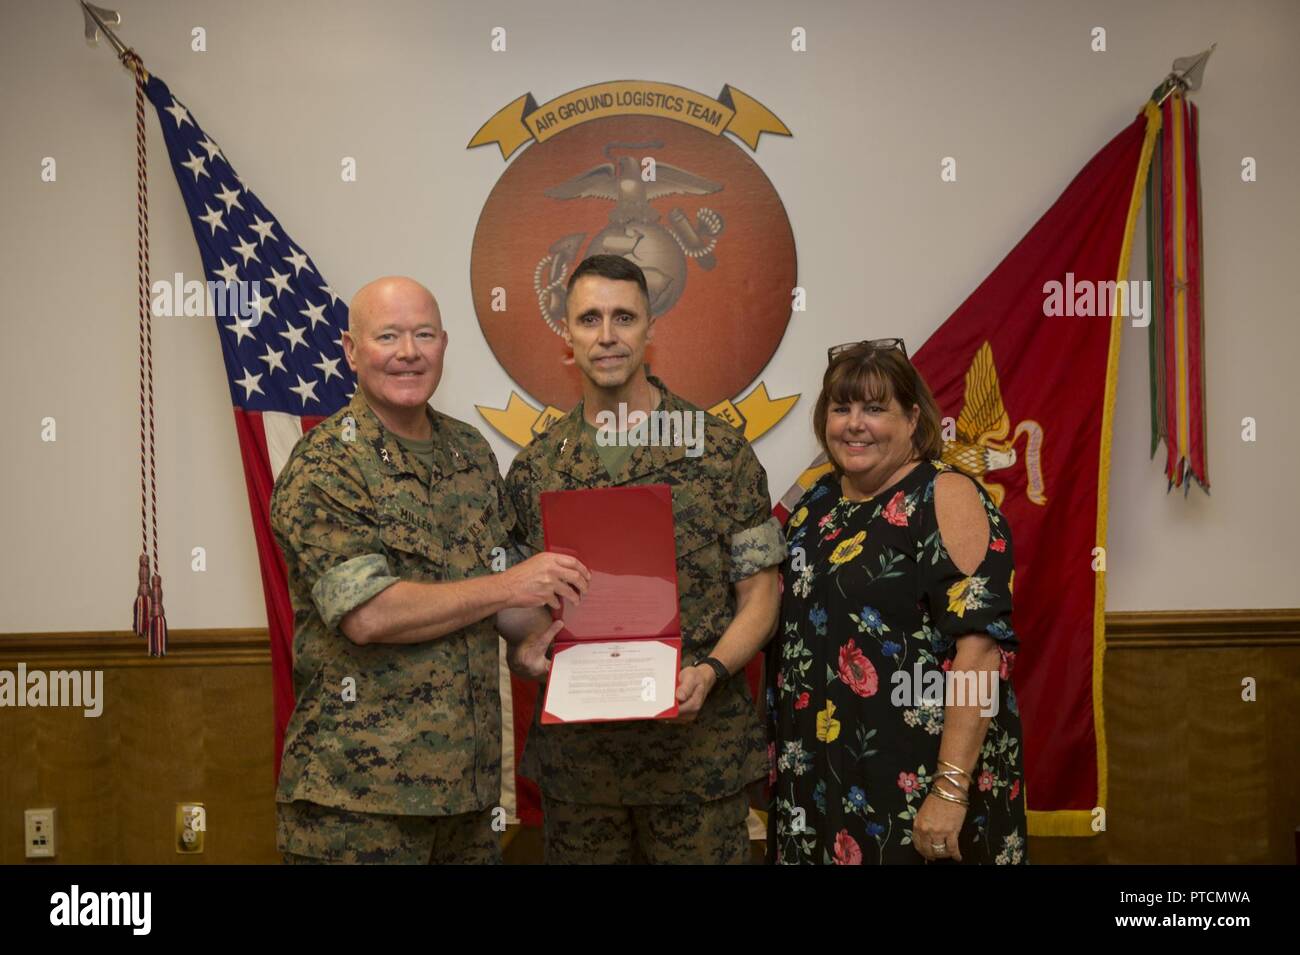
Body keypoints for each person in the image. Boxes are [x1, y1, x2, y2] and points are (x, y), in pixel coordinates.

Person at [271, 276, 588, 864]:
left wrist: (544, 642)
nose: (408, 352)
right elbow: (369, 615)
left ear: (444, 343)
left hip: (467, 799)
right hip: (360, 805)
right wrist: (512, 584)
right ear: (350, 350)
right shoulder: (327, 464)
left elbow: (503, 593)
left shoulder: (469, 453)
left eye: (423, 335)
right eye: (388, 336)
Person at [500, 254, 785, 864]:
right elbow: (520, 609)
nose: (607, 336)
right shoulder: (536, 468)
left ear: (650, 329)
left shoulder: (719, 452)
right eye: (590, 319)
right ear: (567, 335)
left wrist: (709, 672)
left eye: (624, 317)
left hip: (696, 761)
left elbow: (761, 595)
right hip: (581, 770)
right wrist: (523, 650)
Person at [767, 339, 1027, 865]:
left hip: (916, 786)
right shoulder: (815, 503)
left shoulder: (945, 495)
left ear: (913, 418)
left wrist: (950, 790)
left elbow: (980, 654)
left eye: (874, 408)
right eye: (841, 408)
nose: (854, 424)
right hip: (818, 783)